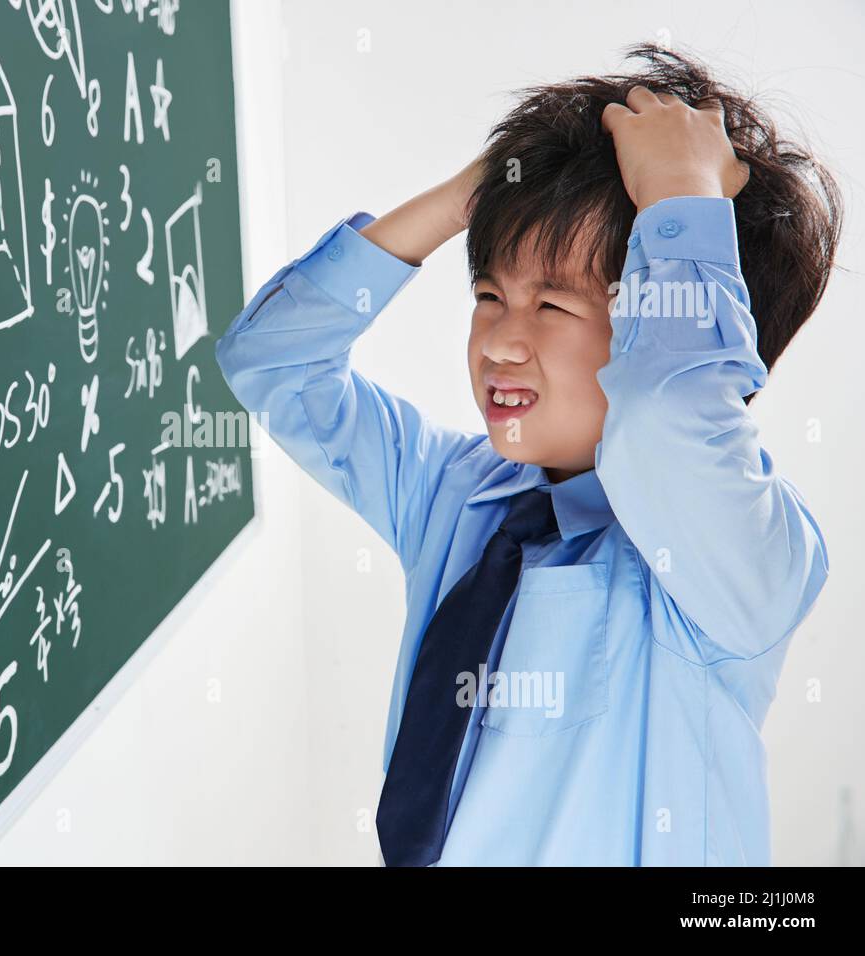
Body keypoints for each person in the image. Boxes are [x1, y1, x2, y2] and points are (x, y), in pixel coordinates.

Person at [214, 45, 841, 866]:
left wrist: (682, 197)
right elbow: (271, 361)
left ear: (669, 324)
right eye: (488, 295)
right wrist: (479, 194)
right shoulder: (458, 494)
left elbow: (667, 416)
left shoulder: (739, 563)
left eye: (551, 304)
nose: (502, 342)